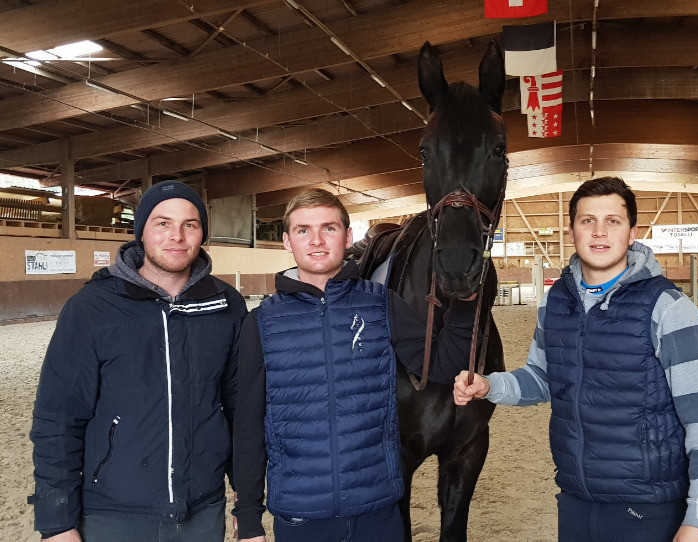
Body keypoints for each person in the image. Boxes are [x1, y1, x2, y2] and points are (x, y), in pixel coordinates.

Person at [453, 177, 698, 542]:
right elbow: (543, 379)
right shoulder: (554, 303)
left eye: (612, 221)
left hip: (648, 507)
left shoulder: (669, 309)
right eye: (588, 221)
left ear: (632, 232)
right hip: (576, 500)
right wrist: (490, 385)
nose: (599, 232)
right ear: (572, 231)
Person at [232, 188, 479, 542]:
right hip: (301, 514)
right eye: (303, 230)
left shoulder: (381, 304)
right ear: (287, 241)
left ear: (348, 237)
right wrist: (249, 516)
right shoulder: (261, 323)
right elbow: (249, 424)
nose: (317, 240)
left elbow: (439, 367)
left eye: (328, 228)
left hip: (378, 509)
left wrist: (466, 302)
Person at [29, 180, 247, 542]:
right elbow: (58, 416)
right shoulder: (92, 308)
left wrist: (247, 495)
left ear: (201, 234)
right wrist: (56, 522)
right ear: (141, 232)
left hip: (203, 511)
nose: (176, 235)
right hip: (112, 514)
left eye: (189, 225)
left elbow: (239, 406)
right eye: (162, 223)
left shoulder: (227, 305)